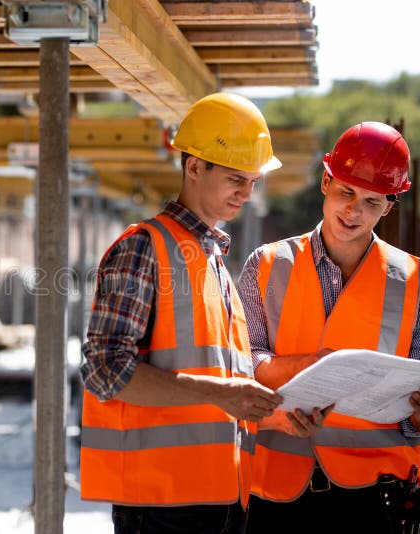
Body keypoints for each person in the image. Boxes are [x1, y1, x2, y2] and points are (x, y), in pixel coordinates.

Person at [79, 92, 284, 534]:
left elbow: (222, 383)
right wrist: (217, 393)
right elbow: (104, 370)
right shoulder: (144, 249)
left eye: (253, 181)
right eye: (235, 178)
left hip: (224, 498)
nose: (246, 194)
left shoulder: (214, 261)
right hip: (162, 506)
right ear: (194, 167)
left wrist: (277, 408)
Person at [237, 121, 420, 533]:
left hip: (376, 501)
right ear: (326, 181)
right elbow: (241, 361)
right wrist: (303, 372)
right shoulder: (265, 266)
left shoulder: (414, 287)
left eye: (372, 202)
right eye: (346, 192)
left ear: (389, 205)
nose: (354, 211)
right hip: (275, 493)